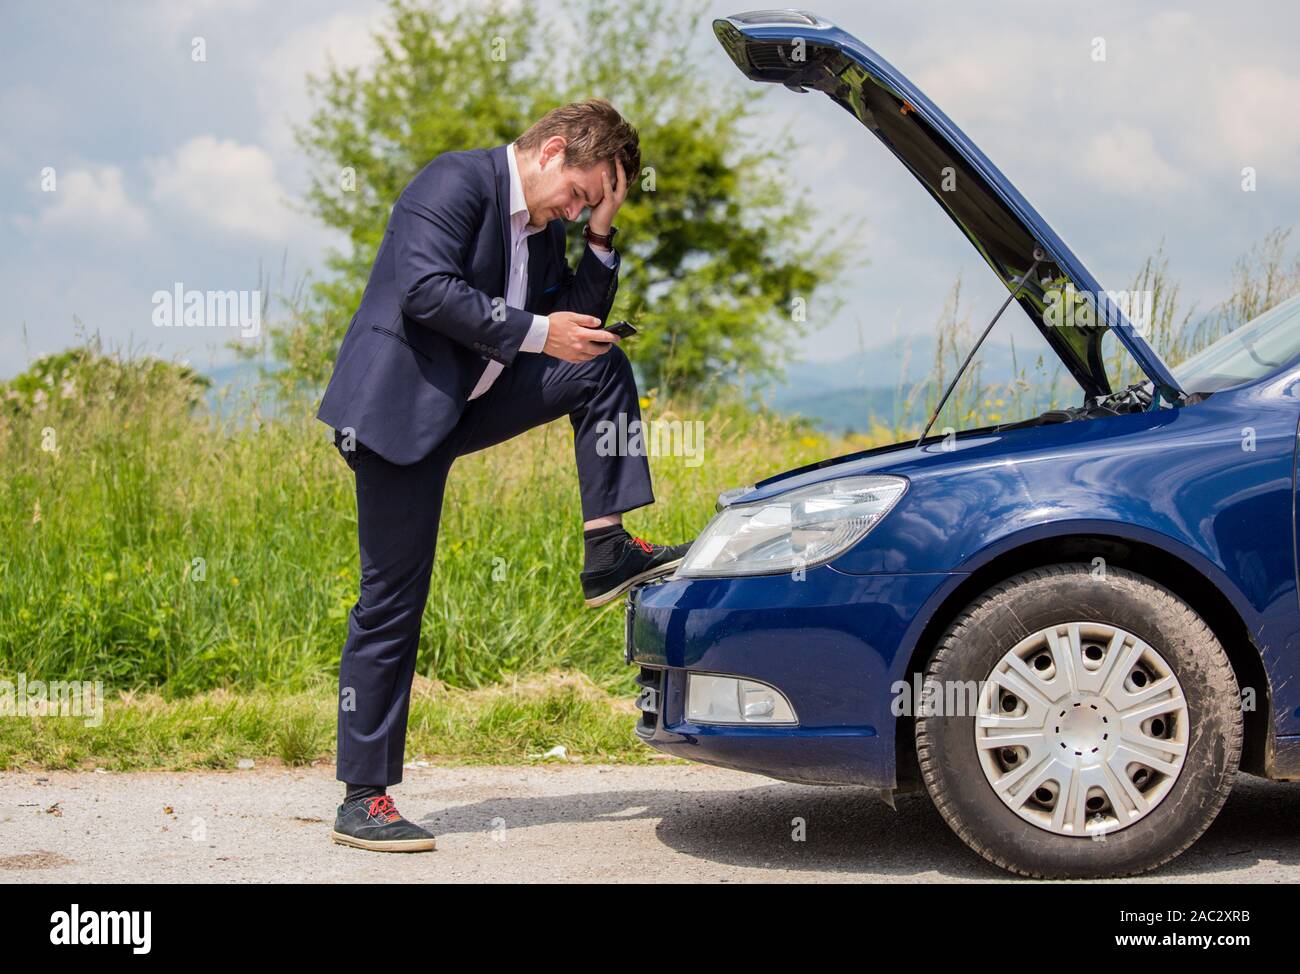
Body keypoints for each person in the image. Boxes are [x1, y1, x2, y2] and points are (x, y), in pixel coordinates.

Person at [316, 100, 690, 852]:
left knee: (602, 361)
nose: (577, 207)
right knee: (393, 599)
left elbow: (572, 327)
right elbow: (425, 289)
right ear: (552, 150)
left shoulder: (548, 231)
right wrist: (536, 331)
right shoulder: (453, 182)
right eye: (581, 193)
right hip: (396, 416)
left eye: (591, 204)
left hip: (473, 400)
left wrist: (600, 236)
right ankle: (363, 798)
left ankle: (606, 548)